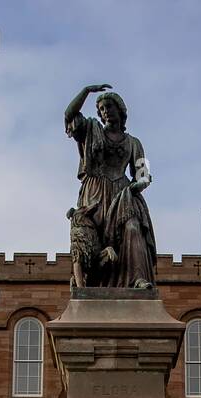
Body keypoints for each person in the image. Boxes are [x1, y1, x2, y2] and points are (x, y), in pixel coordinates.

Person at [64, 84, 156, 289]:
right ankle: (88, 284)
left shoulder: (134, 143)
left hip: (123, 193)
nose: (105, 111)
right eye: (102, 108)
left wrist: (140, 183)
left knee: (133, 227)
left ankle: (138, 279)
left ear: (120, 111)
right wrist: (86, 91)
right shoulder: (91, 130)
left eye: (109, 107)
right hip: (94, 193)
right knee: (91, 239)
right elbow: (69, 114)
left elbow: (143, 174)